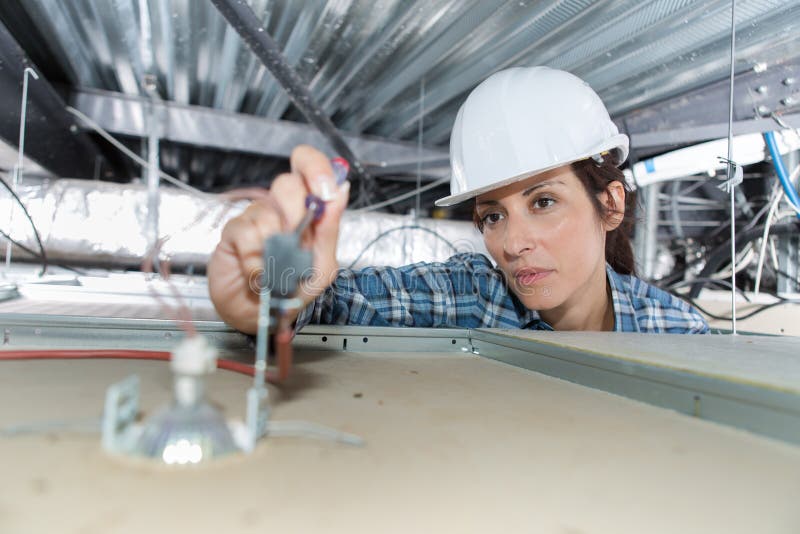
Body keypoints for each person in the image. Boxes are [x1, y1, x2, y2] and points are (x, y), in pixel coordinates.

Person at [208, 66, 709, 335]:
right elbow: (337, 302)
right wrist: (272, 287)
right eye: (493, 215)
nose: (512, 243)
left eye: (542, 202)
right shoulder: (475, 296)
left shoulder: (677, 333)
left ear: (611, 204)